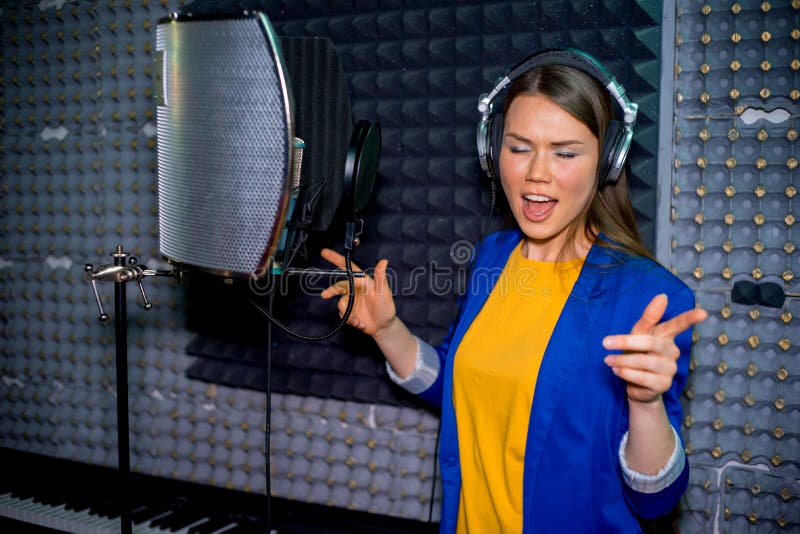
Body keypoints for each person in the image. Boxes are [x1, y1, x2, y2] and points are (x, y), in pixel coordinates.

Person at [320, 49, 707, 533]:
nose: (535, 173)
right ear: (492, 151)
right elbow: (461, 388)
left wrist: (646, 404)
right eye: (519, 147)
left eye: (565, 153)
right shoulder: (494, 255)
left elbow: (656, 501)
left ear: (607, 162)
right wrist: (386, 329)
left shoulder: (647, 297)